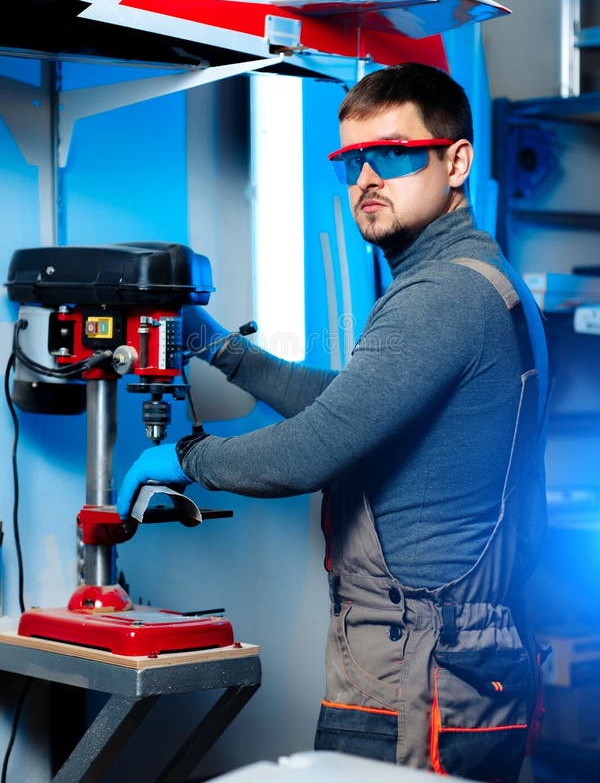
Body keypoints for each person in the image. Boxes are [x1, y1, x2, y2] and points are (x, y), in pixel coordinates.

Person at [118, 63, 549, 781]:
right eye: (353, 160)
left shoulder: (440, 296)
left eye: (395, 153)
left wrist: (186, 457)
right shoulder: (479, 282)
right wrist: (226, 352)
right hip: (456, 663)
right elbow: (353, 401)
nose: (366, 179)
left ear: (457, 161)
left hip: (416, 673)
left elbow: (311, 450)